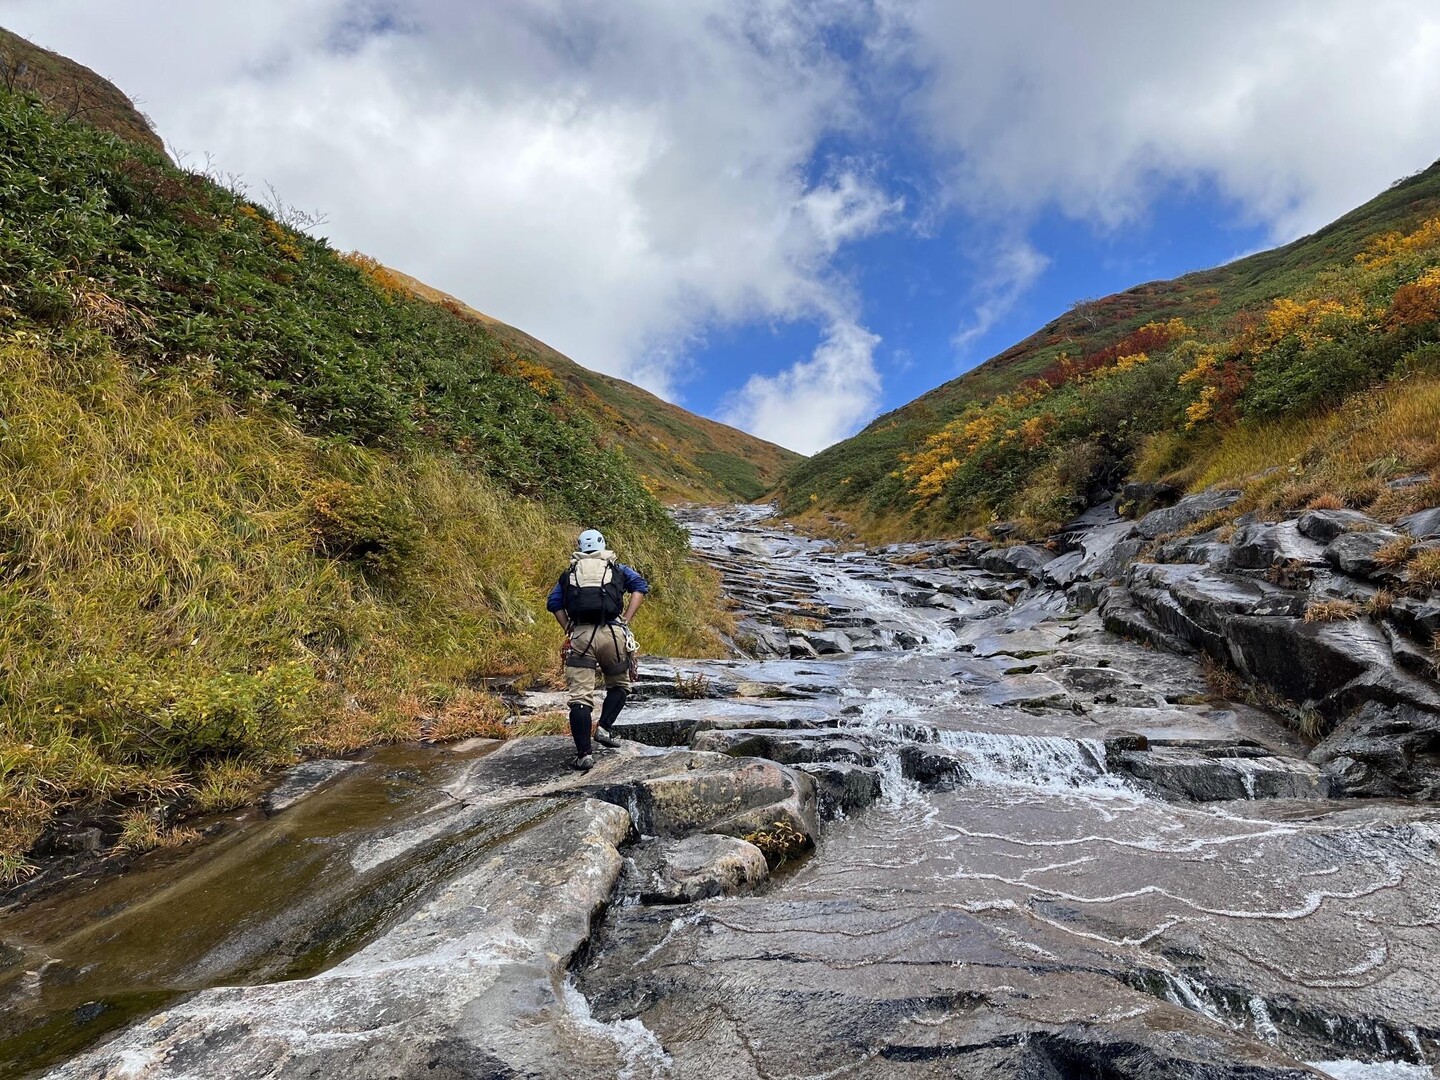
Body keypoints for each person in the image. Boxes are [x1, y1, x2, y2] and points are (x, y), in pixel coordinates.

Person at [546, 528, 648, 771]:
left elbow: (553, 603)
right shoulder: (617, 568)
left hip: (581, 636)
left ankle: (584, 755)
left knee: (580, 697)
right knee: (620, 684)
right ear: (603, 545)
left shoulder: (570, 572)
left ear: (580, 547)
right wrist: (626, 618)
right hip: (613, 634)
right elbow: (640, 587)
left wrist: (567, 628)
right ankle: (604, 728)